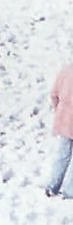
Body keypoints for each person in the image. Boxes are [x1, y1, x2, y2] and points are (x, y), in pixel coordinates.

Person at [46, 64, 73, 199]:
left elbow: (54, 94)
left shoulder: (66, 71)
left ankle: (52, 186)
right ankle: (70, 191)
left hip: (65, 121)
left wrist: (60, 111)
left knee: (62, 155)